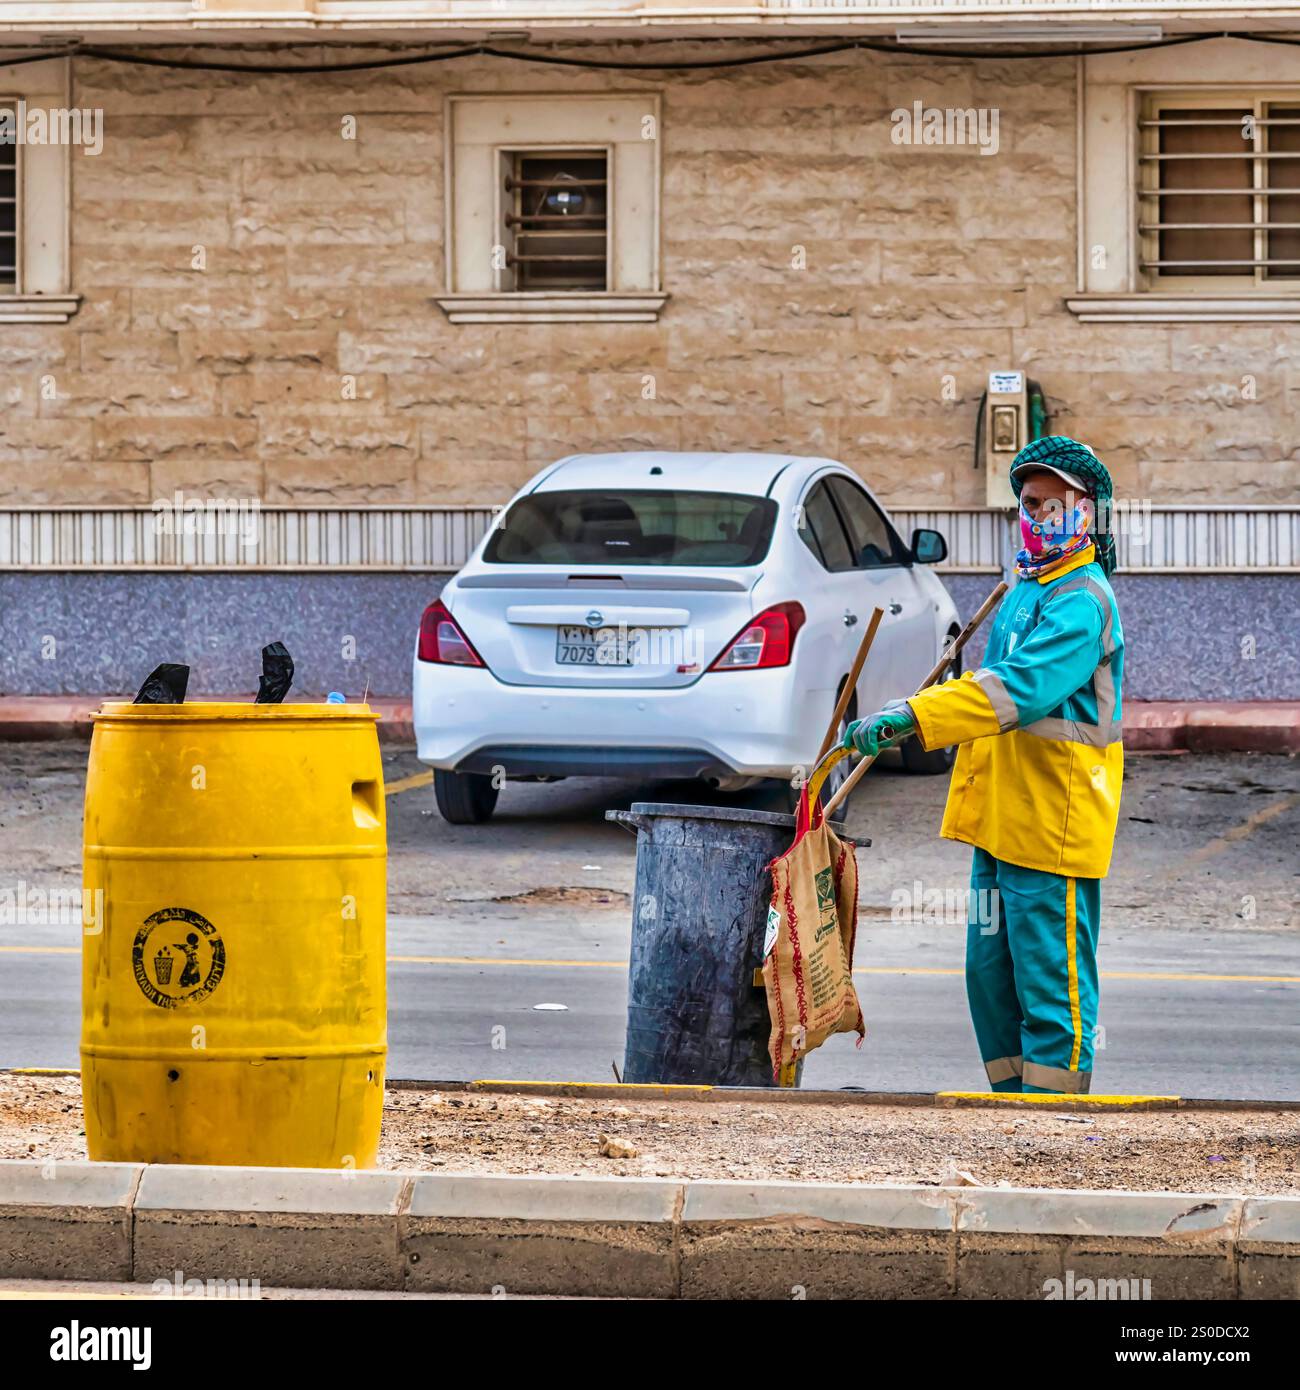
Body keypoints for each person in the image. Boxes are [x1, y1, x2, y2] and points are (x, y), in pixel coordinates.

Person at [843, 436, 1124, 1094]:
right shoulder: (1027, 590)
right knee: (991, 980)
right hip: (1003, 814)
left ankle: (1052, 1123)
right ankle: (1008, 1107)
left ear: (1091, 514)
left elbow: (1016, 691)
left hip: (1052, 820)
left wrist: (913, 717)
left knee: (1051, 984)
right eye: (1027, 504)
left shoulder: (1082, 601)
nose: (1035, 516)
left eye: (1052, 505)